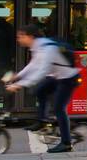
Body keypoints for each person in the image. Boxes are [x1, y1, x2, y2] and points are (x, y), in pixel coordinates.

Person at [6, 25, 81, 153]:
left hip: (68, 78)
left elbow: (42, 71)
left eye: (21, 36)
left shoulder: (48, 48)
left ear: (30, 36)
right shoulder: (38, 47)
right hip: (57, 77)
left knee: (59, 108)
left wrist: (20, 84)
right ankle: (42, 120)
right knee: (39, 90)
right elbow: (33, 65)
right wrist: (19, 76)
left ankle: (66, 143)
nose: (19, 39)